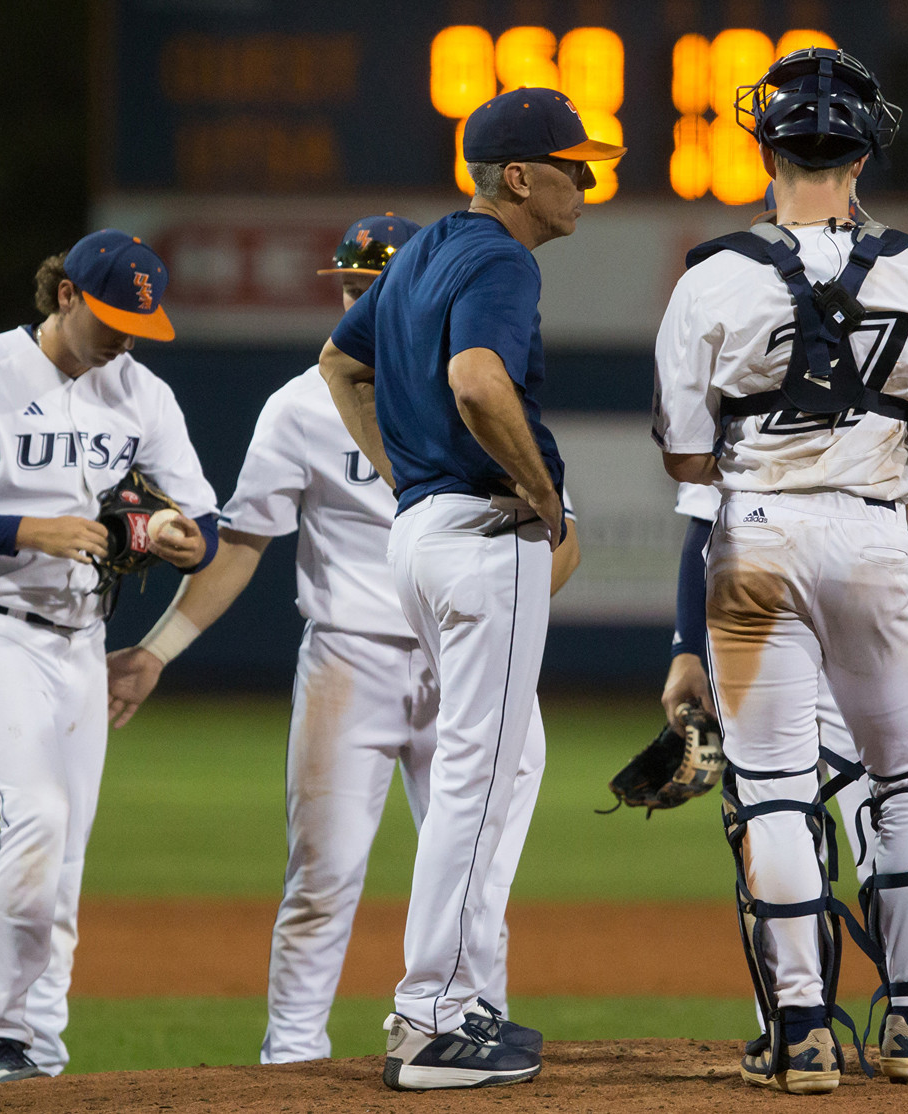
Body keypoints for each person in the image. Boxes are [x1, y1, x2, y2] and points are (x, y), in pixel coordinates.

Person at [101, 214, 580, 1063]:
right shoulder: (299, 406)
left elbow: (559, 537)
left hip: (457, 658)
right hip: (349, 660)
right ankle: (291, 1056)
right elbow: (243, 542)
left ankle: (476, 1016)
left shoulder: (482, 390)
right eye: (352, 288)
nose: (360, 301)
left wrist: (496, 616)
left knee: (477, 861)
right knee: (322, 877)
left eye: (375, 288)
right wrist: (158, 648)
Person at [652, 47, 908, 1094]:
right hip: (873, 535)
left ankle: (800, 1033)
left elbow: (683, 456)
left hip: (752, 538)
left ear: (765, 145)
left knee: (771, 794)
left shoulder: (710, 275)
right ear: (865, 150)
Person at [318, 88, 622, 1091]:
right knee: (479, 772)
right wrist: (540, 493)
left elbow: (340, 361)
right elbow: (479, 381)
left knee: (510, 758)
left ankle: (467, 992)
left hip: (425, 534)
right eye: (571, 165)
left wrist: (399, 475)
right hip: (484, 533)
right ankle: (433, 1017)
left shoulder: (426, 247)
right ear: (520, 176)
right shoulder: (499, 254)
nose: (586, 180)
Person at [0, 230, 218, 1085]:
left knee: (64, 853)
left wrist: (176, 537)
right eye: (110, 316)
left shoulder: (140, 392)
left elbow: (202, 522)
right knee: (36, 814)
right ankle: (1, 1039)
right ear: (65, 295)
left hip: (81, 640)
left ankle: (36, 1054)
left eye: (138, 321)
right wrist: (29, 529)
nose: (124, 336)